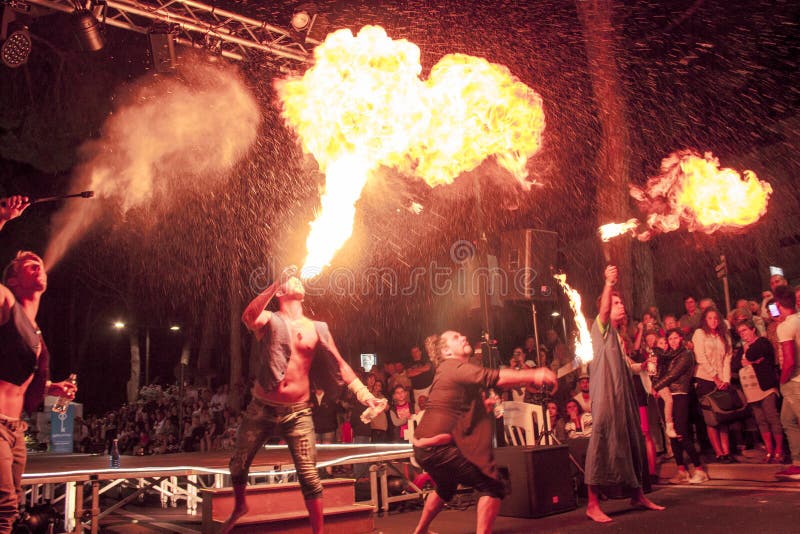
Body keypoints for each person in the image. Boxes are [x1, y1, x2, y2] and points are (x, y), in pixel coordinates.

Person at [222, 269, 385, 534]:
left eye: (297, 279)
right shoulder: (270, 320)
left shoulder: (317, 328)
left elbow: (340, 364)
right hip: (262, 407)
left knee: (309, 476)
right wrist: (275, 282)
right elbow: (248, 316)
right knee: (238, 464)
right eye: (290, 280)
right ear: (280, 292)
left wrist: (365, 395)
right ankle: (240, 506)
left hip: (298, 411)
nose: (297, 279)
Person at [411, 331, 557, 534]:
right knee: (492, 485)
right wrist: (533, 374)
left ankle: (420, 531)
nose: (463, 337)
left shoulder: (451, 371)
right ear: (446, 352)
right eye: (456, 338)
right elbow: (492, 377)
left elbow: (460, 409)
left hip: (425, 448)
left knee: (445, 487)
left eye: (461, 335)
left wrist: (486, 405)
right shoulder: (452, 366)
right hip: (438, 449)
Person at [0, 246, 78, 532]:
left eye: (40, 265)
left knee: (11, 509)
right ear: (13, 280)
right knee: (4, 506)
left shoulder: (34, 329)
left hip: (15, 430)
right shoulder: (6, 301)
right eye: (29, 265)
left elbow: (14, 378)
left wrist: (50, 387)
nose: (38, 268)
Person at [584, 265, 664, 523]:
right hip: (606, 396)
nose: (621, 306)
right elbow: (604, 310)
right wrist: (609, 283)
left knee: (633, 441)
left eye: (621, 302)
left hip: (624, 396)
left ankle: (637, 495)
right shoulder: (601, 328)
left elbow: (625, 366)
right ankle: (592, 504)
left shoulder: (618, 337)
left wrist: (643, 366)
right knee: (601, 444)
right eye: (615, 303)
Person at [652, 329, 708, 484]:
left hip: (680, 395)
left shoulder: (686, 354)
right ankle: (681, 471)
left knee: (681, 433)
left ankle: (699, 469)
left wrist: (656, 386)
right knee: (672, 436)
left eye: (675, 338)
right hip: (667, 396)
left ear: (681, 338)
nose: (673, 341)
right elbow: (659, 372)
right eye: (670, 339)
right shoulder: (668, 355)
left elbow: (673, 374)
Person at [732, 319, 783, 463]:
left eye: (745, 330)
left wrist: (749, 359)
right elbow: (734, 365)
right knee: (761, 420)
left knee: (772, 417)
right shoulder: (742, 348)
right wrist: (752, 361)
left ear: (753, 329)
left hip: (765, 387)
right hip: (751, 390)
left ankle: (779, 450)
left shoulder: (762, 342)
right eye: (740, 332)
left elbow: (751, 355)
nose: (742, 334)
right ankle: (769, 450)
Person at [692, 307, 735, 463]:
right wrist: (715, 378)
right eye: (710, 318)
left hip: (722, 380)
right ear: (705, 319)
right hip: (705, 379)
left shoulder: (724, 335)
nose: (713, 321)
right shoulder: (700, 334)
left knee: (724, 416)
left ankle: (727, 451)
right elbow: (701, 358)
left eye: (716, 318)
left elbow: (727, 358)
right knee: (711, 418)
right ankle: (718, 452)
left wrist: (726, 380)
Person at [775, 285, 800, 479]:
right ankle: (797, 464)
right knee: (787, 420)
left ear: (778, 304)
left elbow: (789, 361)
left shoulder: (785, 327)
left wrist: (782, 381)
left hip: (794, 381)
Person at [406, 345, 434, 412]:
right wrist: (422, 370)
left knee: (430, 406)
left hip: (428, 388)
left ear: (420, 352)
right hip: (417, 390)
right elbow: (409, 374)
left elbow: (427, 368)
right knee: (418, 408)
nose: (415, 353)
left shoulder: (426, 360)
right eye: (413, 352)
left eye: (416, 351)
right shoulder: (409, 364)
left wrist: (414, 370)